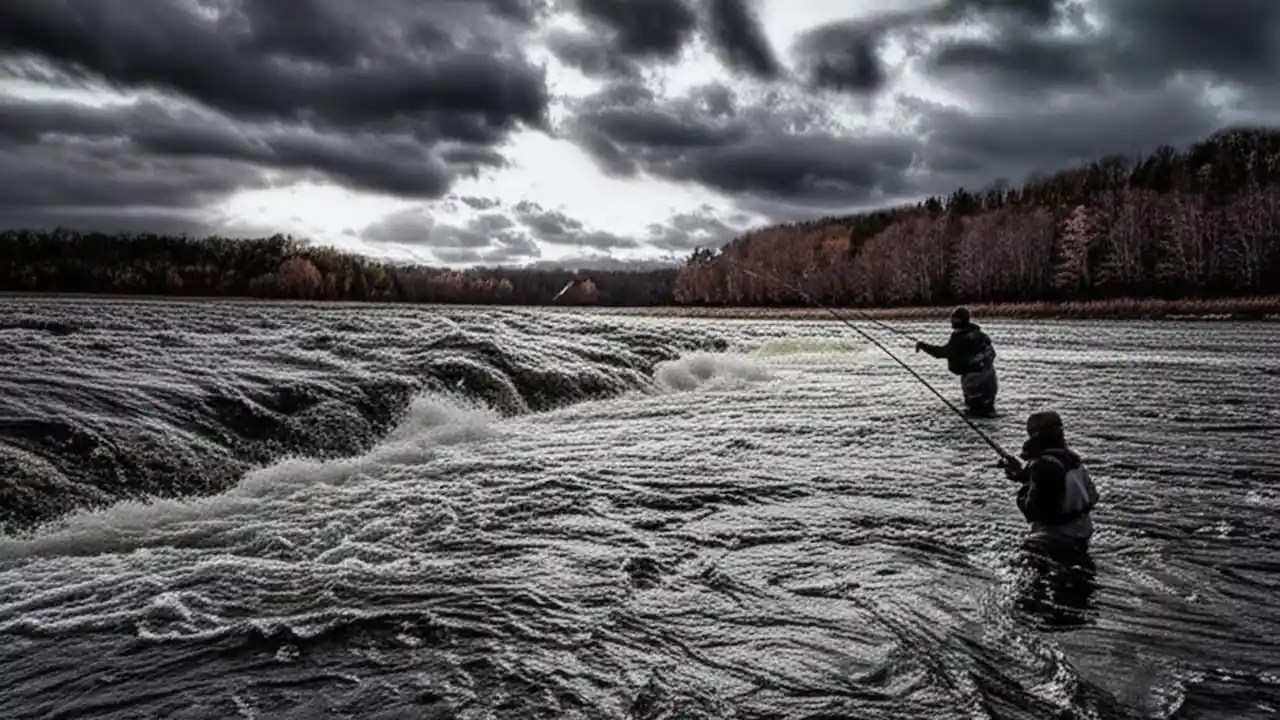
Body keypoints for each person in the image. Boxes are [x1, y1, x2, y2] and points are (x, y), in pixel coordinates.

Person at [999, 410, 1100, 551]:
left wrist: (1023, 493)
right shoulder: (1072, 460)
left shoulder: (1043, 467)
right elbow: (1092, 496)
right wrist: (1023, 475)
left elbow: (1035, 512)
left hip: (1057, 538)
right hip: (1082, 533)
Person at [915, 307, 998, 417]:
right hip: (990, 379)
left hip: (973, 381)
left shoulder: (959, 339)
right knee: (988, 412)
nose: (951, 322)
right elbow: (992, 353)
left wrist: (922, 346)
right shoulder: (980, 335)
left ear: (956, 321)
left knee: (974, 414)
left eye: (953, 319)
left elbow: (941, 353)